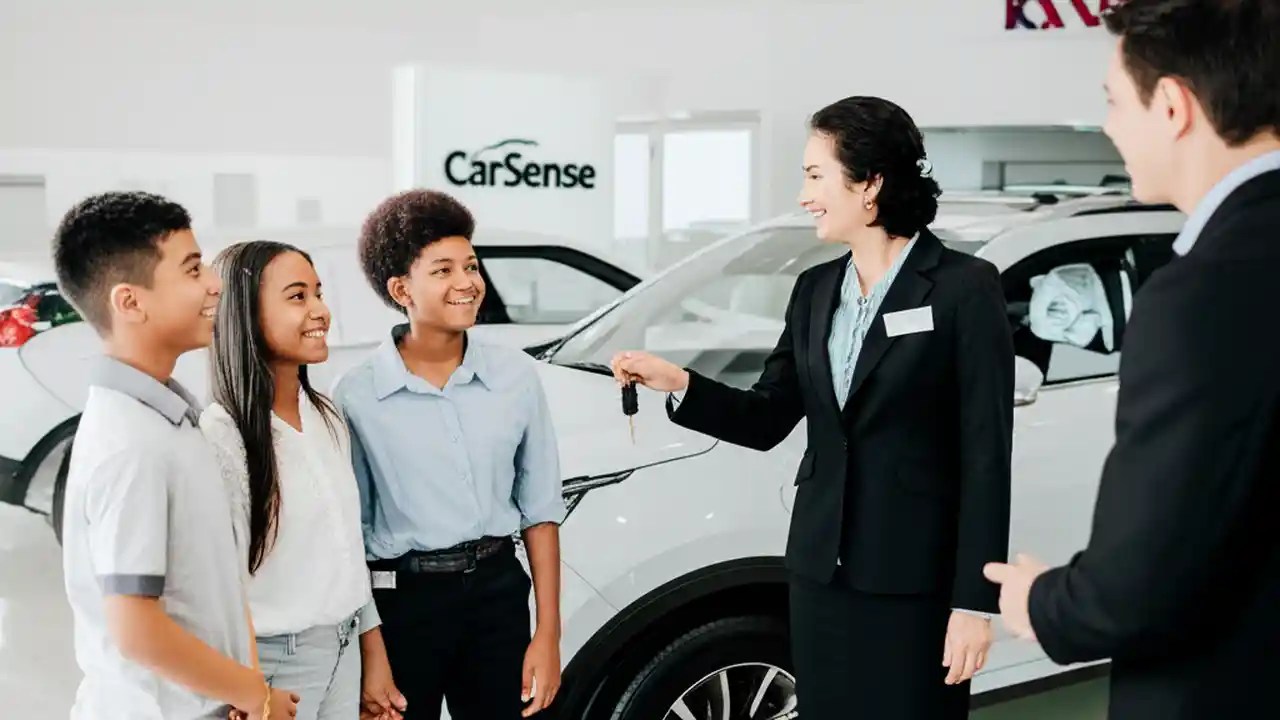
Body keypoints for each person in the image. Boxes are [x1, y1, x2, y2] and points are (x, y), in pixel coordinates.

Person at [611, 96, 1013, 719]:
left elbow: (986, 456)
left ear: (871, 182)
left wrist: (974, 603)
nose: (804, 195)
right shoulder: (814, 290)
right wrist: (681, 383)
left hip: (916, 582)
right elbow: (770, 415)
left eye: (815, 175)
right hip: (821, 574)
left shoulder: (964, 287)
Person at [983, 2, 1280, 718]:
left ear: (1173, 104)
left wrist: (1042, 601)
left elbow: (1136, 588)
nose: (1110, 126)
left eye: (1115, 102)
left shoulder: (1202, 293)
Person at [53, 192, 298, 720]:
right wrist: (257, 696)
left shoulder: (168, 419)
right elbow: (136, 630)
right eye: (192, 269)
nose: (214, 281)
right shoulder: (130, 444)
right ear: (130, 302)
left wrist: (242, 686)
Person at [333, 189, 566, 720]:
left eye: (471, 265)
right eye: (443, 270)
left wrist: (547, 633)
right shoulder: (358, 394)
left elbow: (541, 509)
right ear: (401, 290)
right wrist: (373, 655)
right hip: (403, 605)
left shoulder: (515, 377)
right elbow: (353, 538)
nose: (468, 282)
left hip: (498, 593)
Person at [199, 240, 406, 720]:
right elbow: (214, 592)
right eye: (298, 297)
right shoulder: (219, 437)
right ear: (244, 314)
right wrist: (250, 690)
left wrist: (371, 651)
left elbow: (348, 551)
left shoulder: (327, 414)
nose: (321, 311)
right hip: (271, 664)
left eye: (318, 293)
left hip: (342, 647)